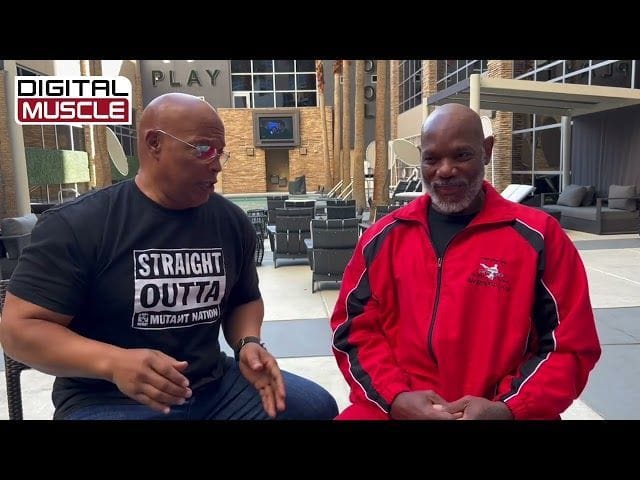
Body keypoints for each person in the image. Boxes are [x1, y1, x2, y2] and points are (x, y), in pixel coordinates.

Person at [0, 92, 338, 420]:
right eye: (203, 149)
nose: (216, 165)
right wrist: (113, 363)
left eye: (221, 153)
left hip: (216, 389)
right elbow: (18, 330)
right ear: (154, 144)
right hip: (109, 397)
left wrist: (247, 343)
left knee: (315, 406)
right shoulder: (79, 224)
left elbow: (245, 299)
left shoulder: (230, 221)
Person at [330, 103, 601, 420]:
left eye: (461, 155)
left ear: (487, 151)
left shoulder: (539, 237)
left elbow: (569, 345)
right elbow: (353, 330)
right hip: (399, 409)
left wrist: (507, 409)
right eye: (432, 159)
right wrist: (396, 398)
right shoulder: (383, 239)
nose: (445, 170)